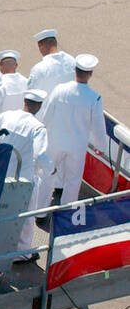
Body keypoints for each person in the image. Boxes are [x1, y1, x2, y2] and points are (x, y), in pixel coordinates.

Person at [36, 54, 107, 208]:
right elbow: (98, 126)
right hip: (77, 146)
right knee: (73, 181)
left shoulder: (59, 90)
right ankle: (66, 212)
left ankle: (39, 212)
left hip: (55, 141)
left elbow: (47, 114)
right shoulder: (94, 98)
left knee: (47, 175)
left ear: (75, 70)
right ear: (90, 74)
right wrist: (100, 147)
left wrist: (42, 133)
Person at [0, 89, 52, 256]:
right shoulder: (38, 128)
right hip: (25, 179)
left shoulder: (7, 116)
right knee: (27, 218)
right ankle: (22, 253)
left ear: (24, 101)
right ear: (38, 106)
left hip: (1, 173)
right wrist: (52, 169)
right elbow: (40, 155)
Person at [27, 29, 76, 97]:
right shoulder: (71, 60)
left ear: (40, 46)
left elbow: (31, 95)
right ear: (55, 43)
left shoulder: (39, 68)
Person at [0, 50, 28, 117]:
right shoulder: (26, 82)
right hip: (22, 123)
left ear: (1, 65)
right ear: (16, 65)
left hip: (3, 125)